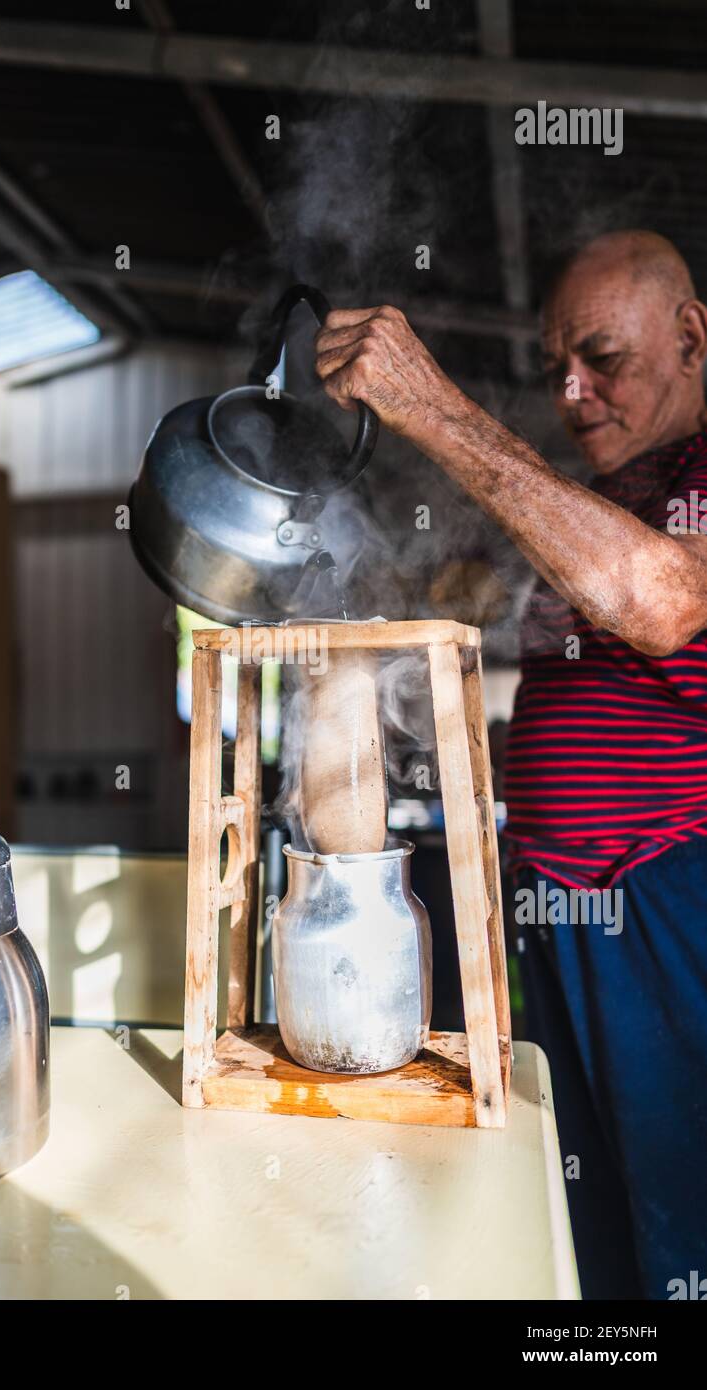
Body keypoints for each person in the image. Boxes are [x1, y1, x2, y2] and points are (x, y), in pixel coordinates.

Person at [314, 230, 707, 1300]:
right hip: (569, 914)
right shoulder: (603, 504)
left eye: (602, 357)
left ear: (689, 337)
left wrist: (429, 407)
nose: (572, 392)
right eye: (555, 368)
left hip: (668, 910)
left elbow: (661, 602)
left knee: (685, 1222)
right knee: (592, 1219)